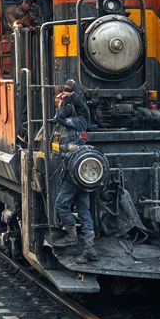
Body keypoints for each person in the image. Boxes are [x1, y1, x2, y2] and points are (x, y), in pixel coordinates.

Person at [51, 80, 97, 261]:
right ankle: (89, 248)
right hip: (80, 175)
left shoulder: (75, 121)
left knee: (61, 205)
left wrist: (66, 104)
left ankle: (71, 235)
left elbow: (59, 118)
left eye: (59, 95)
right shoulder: (76, 122)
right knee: (84, 210)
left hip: (73, 175)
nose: (57, 99)